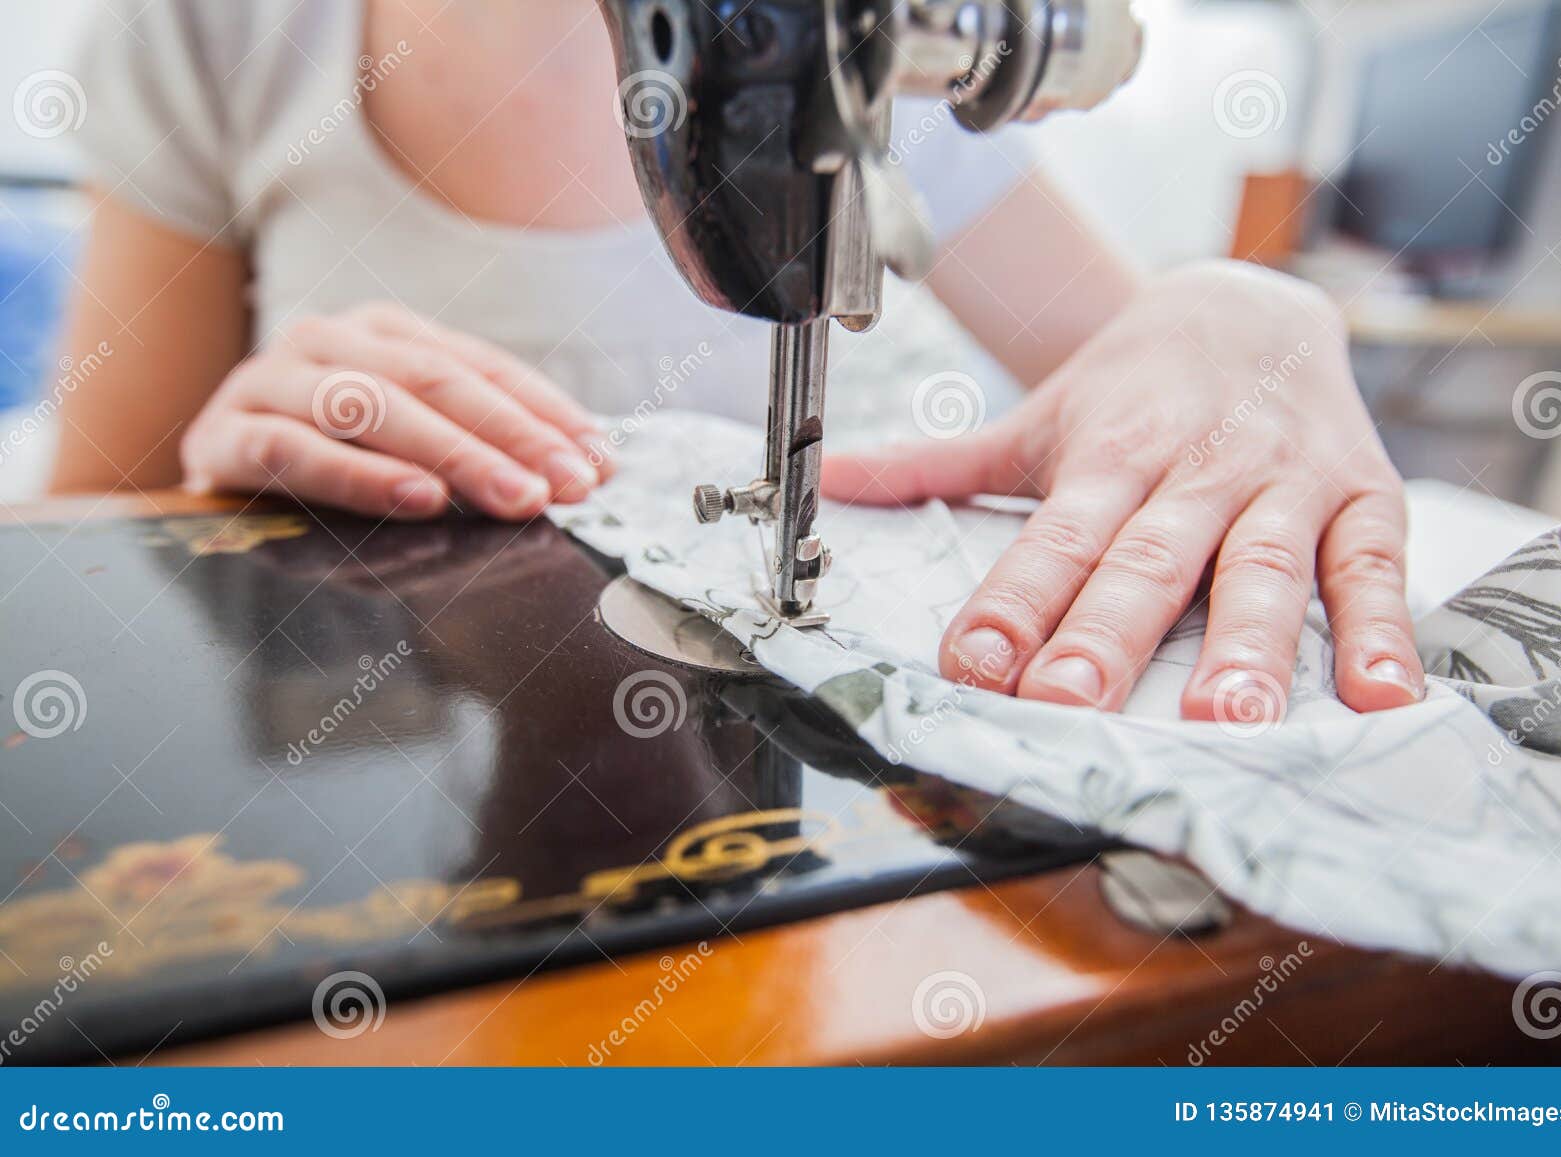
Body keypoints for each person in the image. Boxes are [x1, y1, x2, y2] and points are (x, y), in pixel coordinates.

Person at [48, 0, 1423, 724]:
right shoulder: (220, 28)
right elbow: (71, 568)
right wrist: (219, 471)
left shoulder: (862, 51)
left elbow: (1144, 363)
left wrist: (1251, 315)